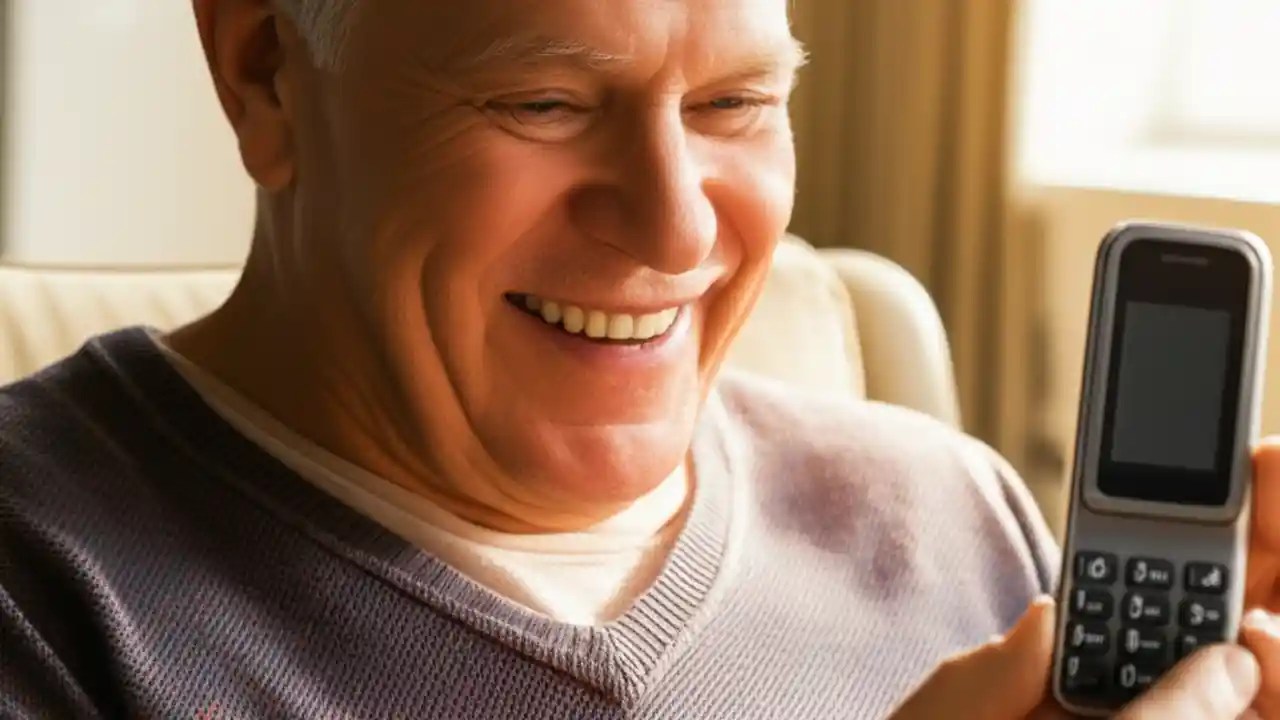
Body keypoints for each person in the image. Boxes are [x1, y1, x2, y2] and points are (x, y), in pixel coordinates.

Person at [2, 0, 1279, 717]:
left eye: (735, 104)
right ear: (264, 72)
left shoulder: (956, 519)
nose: (678, 226)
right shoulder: (47, 597)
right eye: (544, 103)